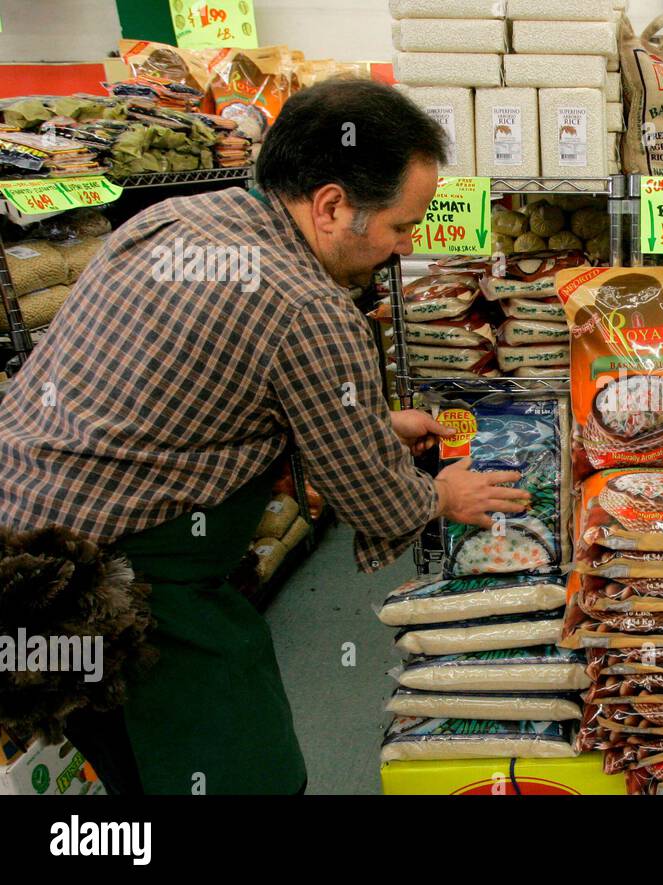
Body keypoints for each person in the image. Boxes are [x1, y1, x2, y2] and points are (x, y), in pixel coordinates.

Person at [0, 79, 529, 794]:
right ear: (333, 204)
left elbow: (199, 388)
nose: (404, 249)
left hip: (23, 546)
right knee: (237, 774)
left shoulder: (177, 219)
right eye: (403, 227)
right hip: (113, 586)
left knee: (130, 762)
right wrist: (439, 492)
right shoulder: (307, 307)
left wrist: (368, 425)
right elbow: (378, 501)